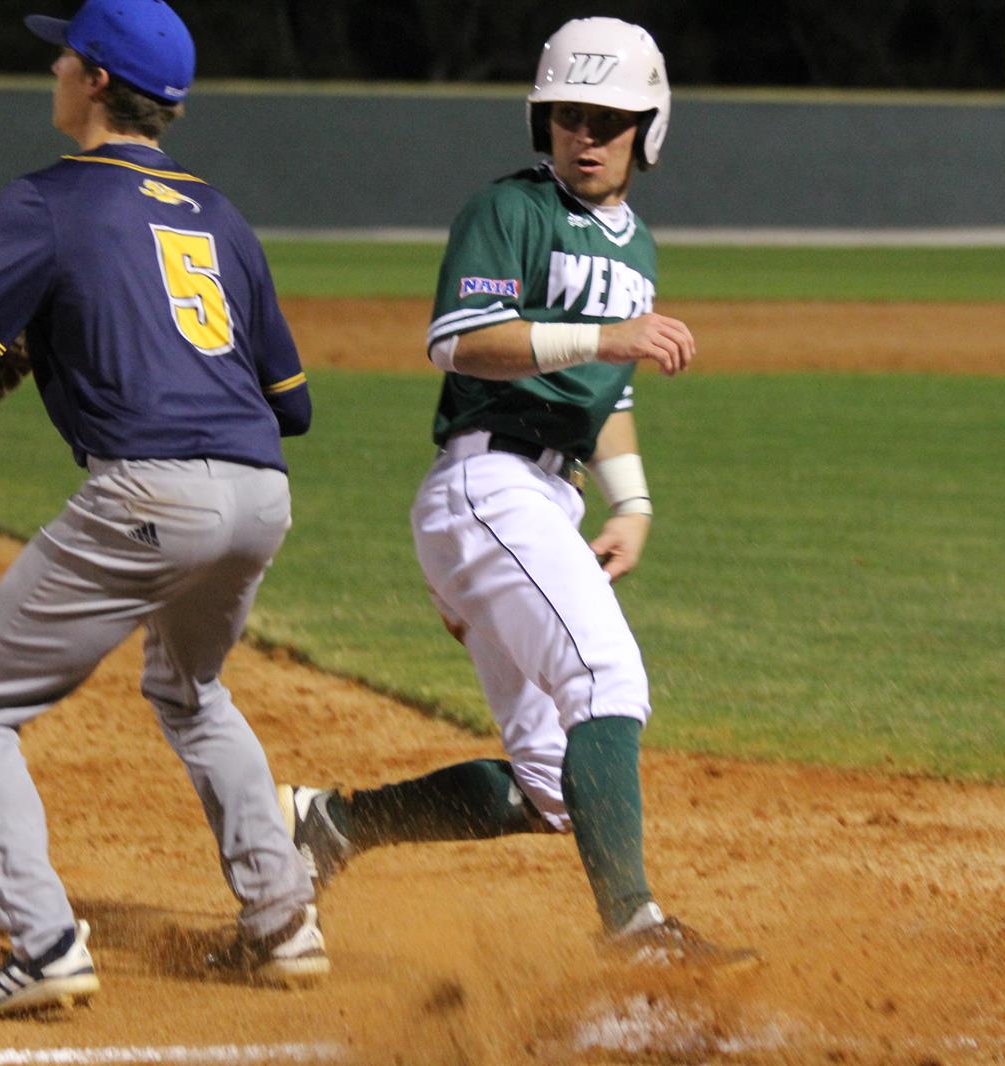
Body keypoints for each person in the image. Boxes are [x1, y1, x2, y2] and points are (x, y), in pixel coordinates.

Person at [279, 17, 757, 968]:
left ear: (647, 130)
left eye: (609, 119)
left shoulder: (639, 248)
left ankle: (331, 826)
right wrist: (607, 336)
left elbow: (602, 396)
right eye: (569, 115)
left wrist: (635, 502)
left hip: (545, 501)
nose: (586, 135)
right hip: (485, 485)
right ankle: (635, 929)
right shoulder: (508, 210)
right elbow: (460, 340)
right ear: (543, 122)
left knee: (549, 784)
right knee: (607, 680)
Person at [0, 0, 325, 1015]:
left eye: (62, 57)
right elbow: (291, 406)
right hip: (260, 494)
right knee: (193, 691)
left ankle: (43, 945)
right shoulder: (222, 214)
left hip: (149, 492)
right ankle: (283, 920)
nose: (54, 71)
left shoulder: (49, 200)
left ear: (91, 80)